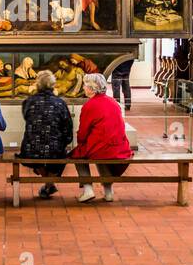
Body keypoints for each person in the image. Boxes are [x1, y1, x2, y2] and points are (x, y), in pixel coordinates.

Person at [71, 72, 132, 203]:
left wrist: (81, 143)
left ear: (92, 88)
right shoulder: (113, 102)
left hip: (102, 147)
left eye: (85, 85)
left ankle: (88, 189)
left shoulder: (89, 105)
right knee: (101, 154)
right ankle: (108, 192)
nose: (83, 88)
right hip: (120, 147)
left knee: (78, 155)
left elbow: (82, 133)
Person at [18, 70, 74, 198]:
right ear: (53, 85)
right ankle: (49, 184)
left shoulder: (28, 102)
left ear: (38, 84)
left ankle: (48, 186)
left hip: (31, 149)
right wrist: (64, 141)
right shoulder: (60, 103)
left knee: (37, 156)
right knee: (59, 156)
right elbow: (67, 128)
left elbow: (28, 120)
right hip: (55, 149)